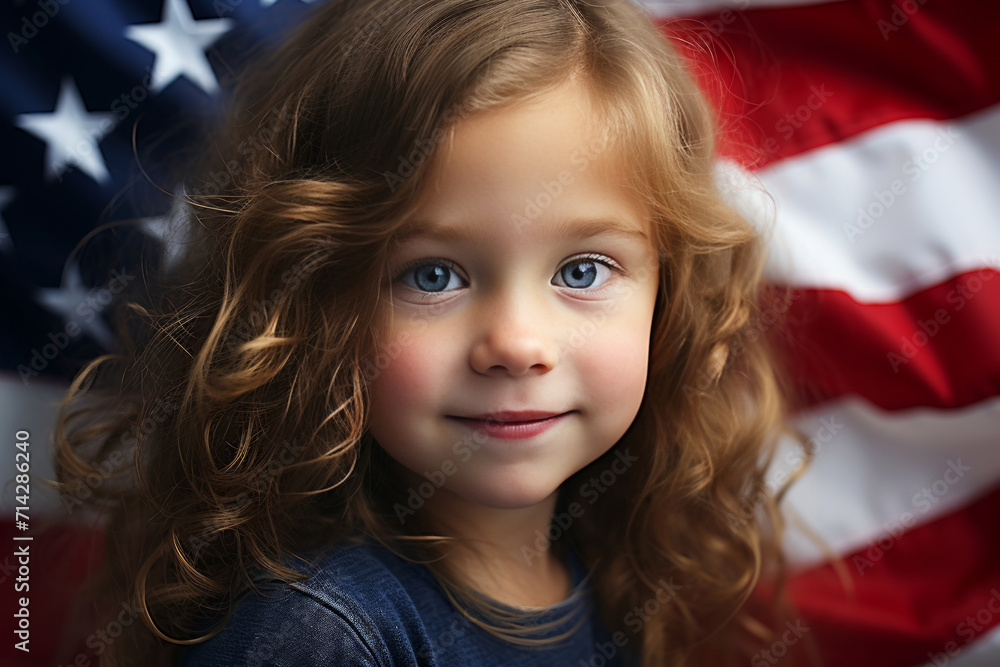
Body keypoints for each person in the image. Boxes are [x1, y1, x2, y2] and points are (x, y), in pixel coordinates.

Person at [53, 0, 807, 664]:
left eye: (582, 270)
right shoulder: (324, 631)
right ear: (312, 299)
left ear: (668, 295)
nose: (516, 343)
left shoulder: (603, 570)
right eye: (433, 275)